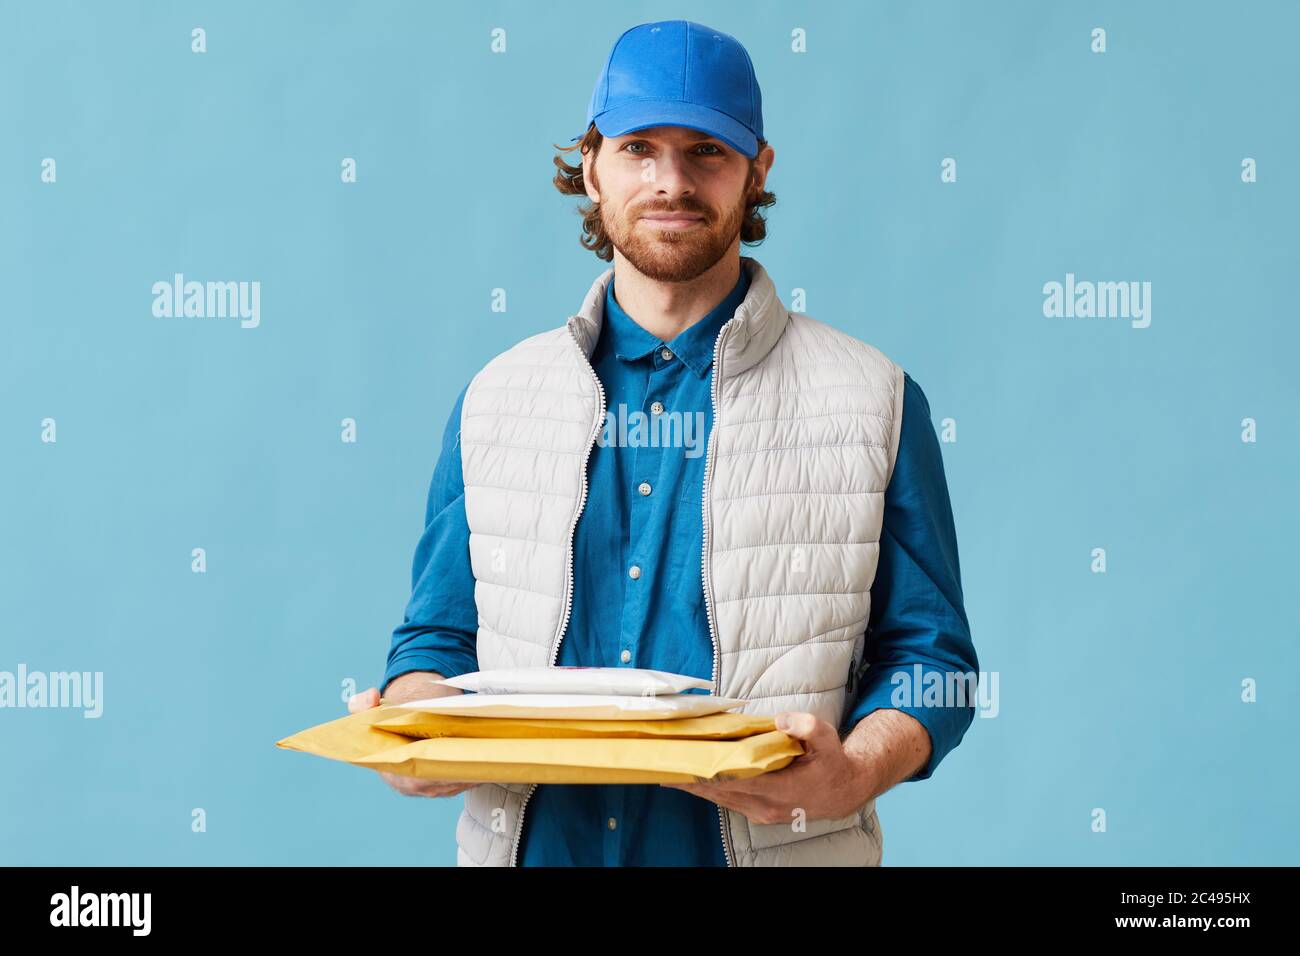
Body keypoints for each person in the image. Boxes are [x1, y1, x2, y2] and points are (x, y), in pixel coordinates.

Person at [348, 18, 978, 866]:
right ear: (592, 165)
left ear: (757, 170)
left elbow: (934, 659)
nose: (670, 182)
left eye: (707, 152)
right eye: (640, 148)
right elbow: (437, 638)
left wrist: (856, 773)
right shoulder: (498, 398)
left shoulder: (874, 399)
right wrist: (413, 724)